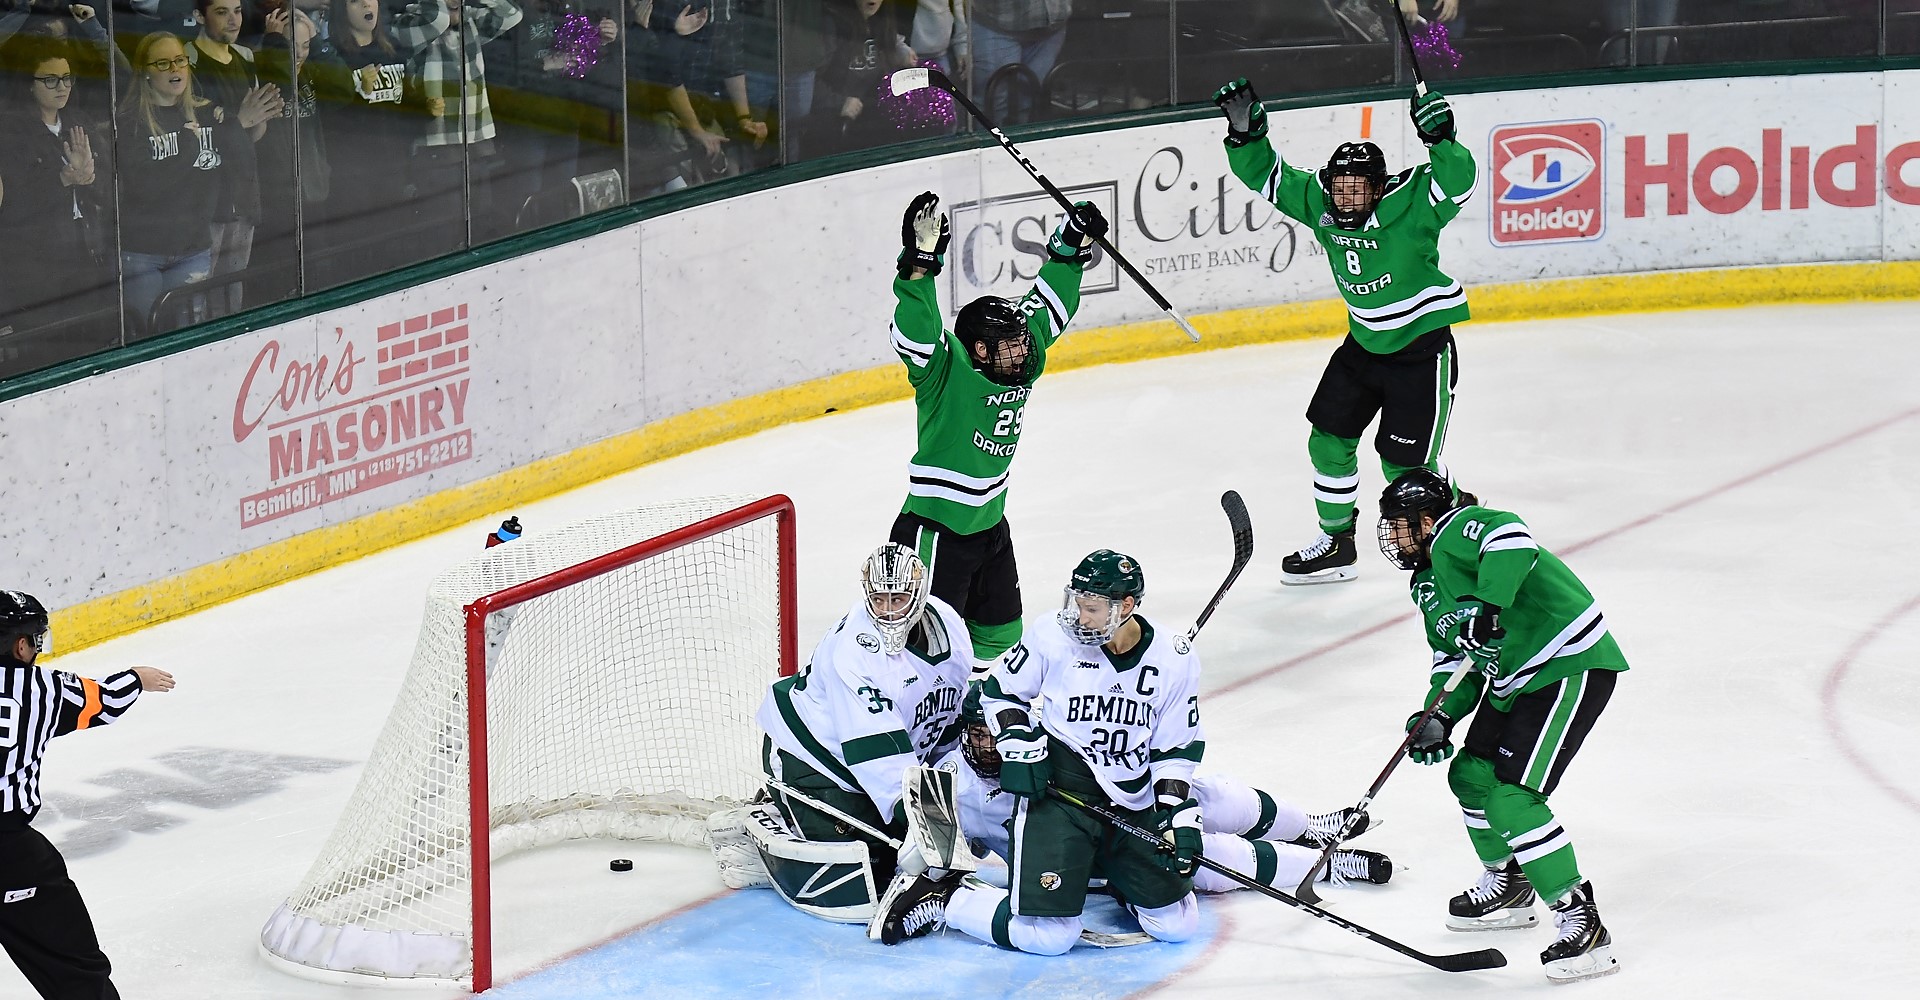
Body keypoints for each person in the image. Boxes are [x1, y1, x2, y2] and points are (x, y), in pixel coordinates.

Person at [870, 550, 1206, 953]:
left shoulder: (1174, 658)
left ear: (1127, 606)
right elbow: (1000, 691)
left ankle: (1126, 880)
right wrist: (1017, 744)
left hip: (1132, 802)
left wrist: (1176, 812)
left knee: (1178, 925)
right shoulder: (1052, 635)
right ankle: (948, 899)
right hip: (1060, 798)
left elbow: (1175, 747)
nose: (1081, 617)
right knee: (1048, 937)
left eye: (1093, 609)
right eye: (1078, 605)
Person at [1214, 77, 1477, 586]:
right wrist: (1246, 136)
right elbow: (1270, 177)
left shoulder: (1413, 204)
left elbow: (1459, 181)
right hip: (1362, 347)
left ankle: (1455, 532)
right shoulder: (1321, 202)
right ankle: (1337, 542)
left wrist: (1442, 138)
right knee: (1328, 440)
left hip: (1420, 354)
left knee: (1406, 469)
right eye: (1338, 187)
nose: (1345, 197)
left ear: (1380, 188)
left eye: (1358, 189)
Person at [1377, 468, 1625, 984]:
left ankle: (1582, 920)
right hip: (1513, 678)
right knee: (1469, 776)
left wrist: (1490, 608)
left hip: (1565, 663)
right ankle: (1510, 882)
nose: (1394, 538)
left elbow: (1510, 536)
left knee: (1512, 799)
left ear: (1426, 520)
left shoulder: (1458, 527)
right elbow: (1453, 659)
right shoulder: (1426, 584)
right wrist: (1437, 715)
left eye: (1400, 526)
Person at [887, 190, 1104, 672]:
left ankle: (973, 711)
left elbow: (1048, 307)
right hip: (936, 531)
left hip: (989, 526)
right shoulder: (946, 370)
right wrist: (919, 268)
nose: (1022, 354)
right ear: (979, 350)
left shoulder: (1017, 355)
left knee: (999, 638)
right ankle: (927, 726)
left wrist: (1070, 245)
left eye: (1021, 344)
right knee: (928, 653)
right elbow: (915, 334)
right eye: (1008, 348)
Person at [940, 689, 1393, 897]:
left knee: (1216, 798)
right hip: (1100, 859)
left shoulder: (1058, 741)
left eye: (999, 732)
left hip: (1135, 806)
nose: (993, 745)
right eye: (981, 735)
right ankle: (1329, 863)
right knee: (1214, 864)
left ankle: (1311, 826)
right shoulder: (952, 785)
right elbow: (944, 850)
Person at [751, 542, 973, 916]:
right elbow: (877, 756)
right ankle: (773, 810)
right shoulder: (855, 652)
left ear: (919, 593)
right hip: (814, 758)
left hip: (881, 760)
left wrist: (956, 792)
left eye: (898, 598)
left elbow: (949, 718)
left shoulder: (948, 623)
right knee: (874, 868)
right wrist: (926, 821)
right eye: (879, 599)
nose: (887, 612)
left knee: (935, 837)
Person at [0, 590, 175, 999]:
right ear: (21, 645)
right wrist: (136, 676)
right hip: (12, 857)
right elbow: (107, 702)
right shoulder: (44, 690)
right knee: (73, 968)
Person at [308, 0, 448, 287]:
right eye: (355, 1)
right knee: (356, 254)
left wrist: (425, 108)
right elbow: (330, 121)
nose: (365, 5)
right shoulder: (334, 56)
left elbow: (398, 109)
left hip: (393, 168)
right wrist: (360, 93)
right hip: (353, 176)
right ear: (341, 11)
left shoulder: (392, 49)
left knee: (393, 248)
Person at [114, 30, 244, 331]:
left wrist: (238, 123)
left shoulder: (207, 112)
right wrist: (187, 149)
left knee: (188, 339)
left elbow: (237, 166)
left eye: (179, 60)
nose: (174, 69)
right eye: (163, 63)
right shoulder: (131, 120)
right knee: (145, 337)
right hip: (142, 251)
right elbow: (144, 187)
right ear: (145, 73)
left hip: (193, 248)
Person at [0, 35, 114, 351]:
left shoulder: (80, 123)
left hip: (85, 253)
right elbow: (10, 206)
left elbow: (106, 189)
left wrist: (89, 179)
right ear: (28, 84)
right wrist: (62, 180)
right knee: (46, 348)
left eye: (66, 78)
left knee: (88, 342)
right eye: (50, 80)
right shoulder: (9, 133)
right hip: (35, 265)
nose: (62, 87)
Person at [407, 0, 523, 250]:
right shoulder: (411, 20)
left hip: (477, 143)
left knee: (481, 222)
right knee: (445, 230)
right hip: (438, 148)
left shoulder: (471, 19)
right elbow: (433, 21)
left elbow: (512, 16)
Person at [186, 0, 283, 289]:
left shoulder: (245, 57)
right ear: (199, 16)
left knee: (233, 289)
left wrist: (258, 119)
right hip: (207, 198)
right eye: (221, 12)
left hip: (243, 191)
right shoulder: (186, 61)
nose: (233, 20)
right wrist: (240, 122)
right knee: (202, 291)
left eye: (238, 11)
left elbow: (254, 133)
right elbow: (192, 135)